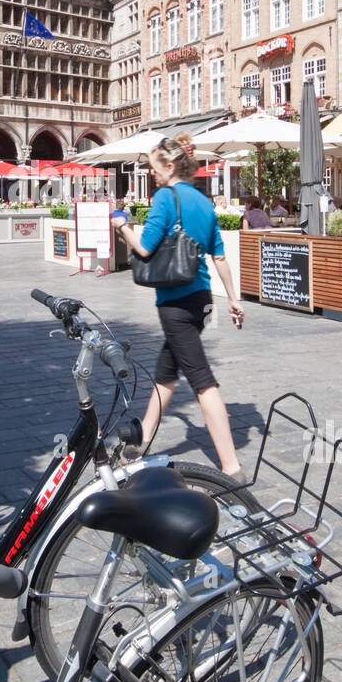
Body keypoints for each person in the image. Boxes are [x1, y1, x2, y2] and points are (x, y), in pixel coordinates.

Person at [112, 133, 248, 484]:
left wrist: (121, 224)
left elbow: (143, 248)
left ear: (170, 167)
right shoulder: (204, 203)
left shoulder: (164, 197)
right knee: (166, 373)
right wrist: (233, 298)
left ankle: (230, 467)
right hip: (201, 298)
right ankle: (138, 446)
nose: (152, 173)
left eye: (154, 167)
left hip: (174, 303)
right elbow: (218, 256)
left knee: (202, 381)